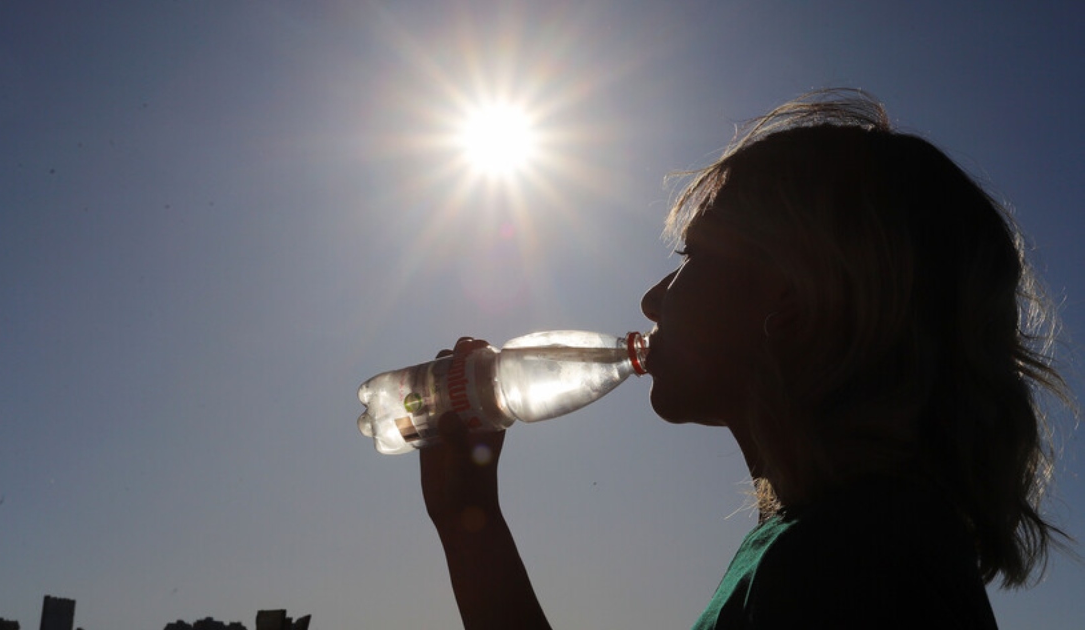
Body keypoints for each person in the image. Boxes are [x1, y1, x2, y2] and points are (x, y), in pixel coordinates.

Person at [418, 90, 1074, 629]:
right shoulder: (825, 543)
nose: (650, 299)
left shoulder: (851, 568)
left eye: (691, 258)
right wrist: (468, 525)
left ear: (789, 300)